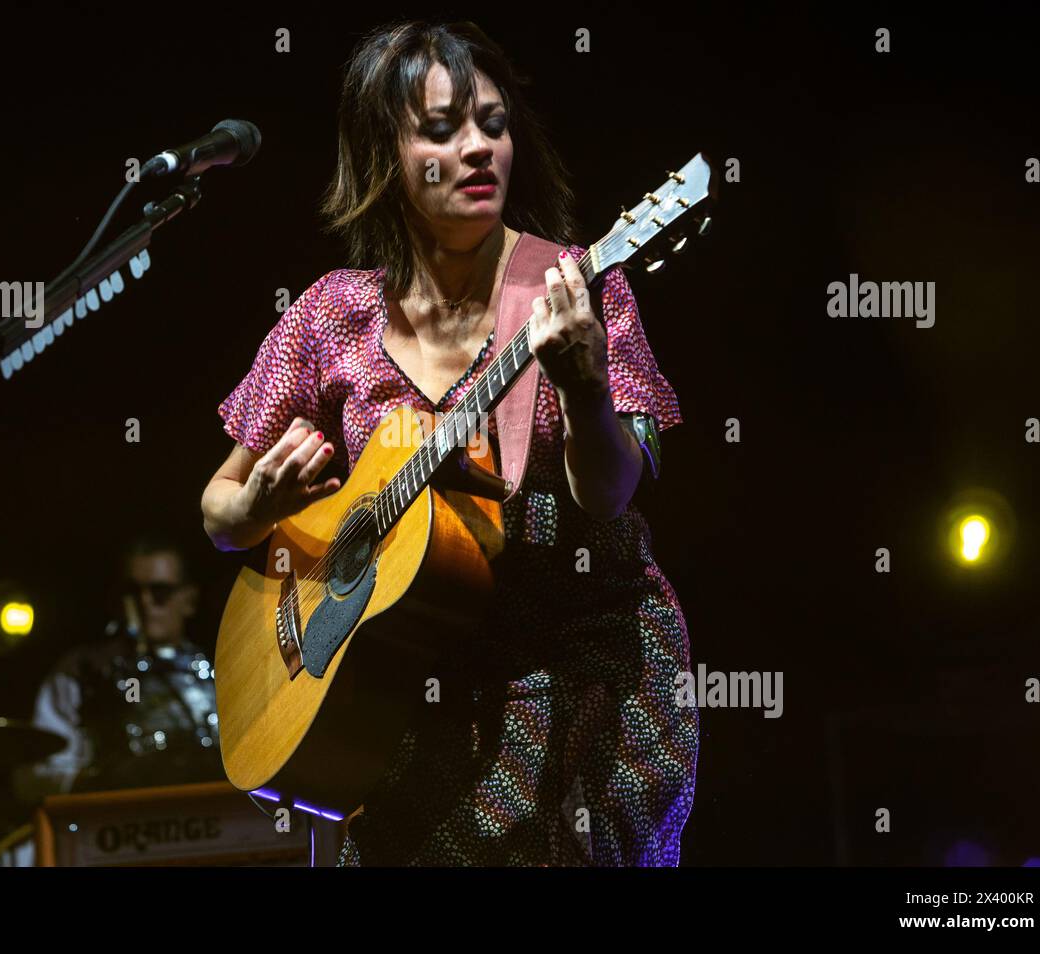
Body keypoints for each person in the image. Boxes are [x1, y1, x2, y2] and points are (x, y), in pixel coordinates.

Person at [201, 19, 698, 866]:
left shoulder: (578, 286)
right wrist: (256, 504)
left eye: (493, 124)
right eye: (442, 130)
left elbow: (612, 491)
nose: (478, 149)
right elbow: (220, 513)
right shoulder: (330, 315)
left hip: (585, 677)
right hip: (404, 693)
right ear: (383, 158)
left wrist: (581, 383)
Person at [20, 536, 220, 798]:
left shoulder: (217, 669)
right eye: (133, 592)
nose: (145, 601)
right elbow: (38, 775)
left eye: (160, 591)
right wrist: (105, 782)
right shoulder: (82, 671)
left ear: (189, 599)